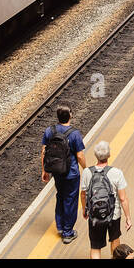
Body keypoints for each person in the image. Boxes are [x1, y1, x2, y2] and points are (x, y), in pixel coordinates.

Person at [40, 105, 87, 245]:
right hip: (71, 173)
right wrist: (86, 168)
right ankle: (67, 232)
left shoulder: (50, 131)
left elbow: (43, 152)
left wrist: (45, 171)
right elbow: (80, 155)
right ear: (70, 115)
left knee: (60, 196)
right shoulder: (74, 134)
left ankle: (60, 227)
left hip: (56, 171)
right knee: (70, 200)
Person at [81, 140, 130, 259]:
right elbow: (123, 198)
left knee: (95, 246)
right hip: (113, 215)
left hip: (95, 215)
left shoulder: (87, 172)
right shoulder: (117, 173)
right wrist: (128, 217)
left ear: (95, 156)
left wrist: (85, 210)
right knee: (114, 241)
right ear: (109, 155)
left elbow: (83, 195)